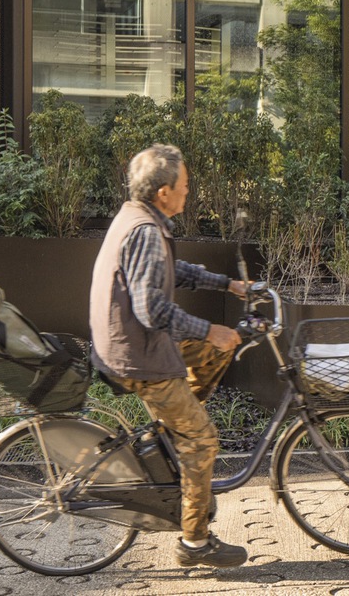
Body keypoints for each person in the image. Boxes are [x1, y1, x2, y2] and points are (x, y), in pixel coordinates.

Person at [88, 143, 251, 568]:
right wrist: (210, 329)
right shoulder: (145, 231)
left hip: (131, 343)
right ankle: (195, 543)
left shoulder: (139, 218)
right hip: (138, 355)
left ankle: (171, 435)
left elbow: (171, 271)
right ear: (164, 192)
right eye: (185, 184)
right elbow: (152, 310)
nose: (188, 191)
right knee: (202, 438)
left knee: (216, 352)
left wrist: (227, 284)